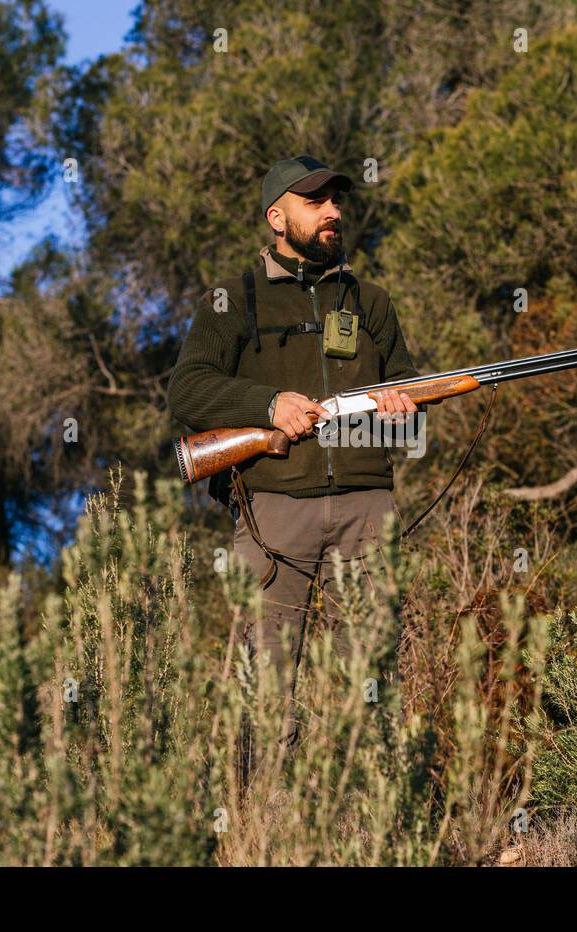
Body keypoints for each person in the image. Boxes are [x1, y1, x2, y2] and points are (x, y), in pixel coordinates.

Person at [168, 155, 423, 749]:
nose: (334, 211)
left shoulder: (372, 301)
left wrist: (399, 410)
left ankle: (366, 824)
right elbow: (187, 390)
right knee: (269, 690)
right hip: (274, 512)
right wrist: (268, 406)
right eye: (316, 202)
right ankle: (267, 828)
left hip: (368, 511)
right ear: (276, 218)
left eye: (337, 201)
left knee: (370, 683)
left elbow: (411, 415)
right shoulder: (232, 301)